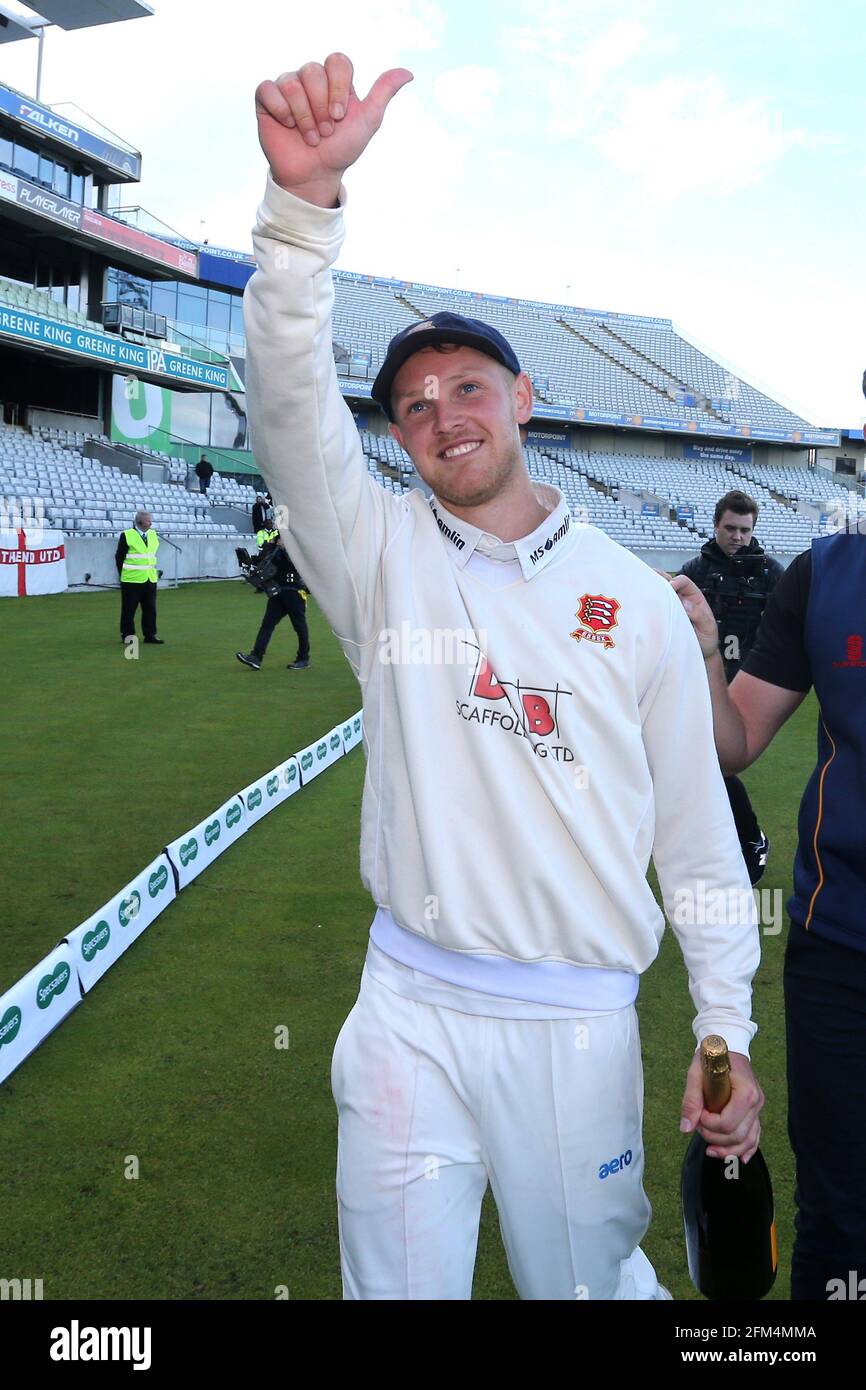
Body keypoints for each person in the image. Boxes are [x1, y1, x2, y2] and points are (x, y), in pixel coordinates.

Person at [246, 53, 765, 1302]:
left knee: (585, 1290)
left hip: (572, 1027)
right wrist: (299, 218)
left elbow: (697, 848)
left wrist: (723, 1037)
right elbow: (286, 404)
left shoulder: (635, 603)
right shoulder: (375, 558)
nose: (440, 416)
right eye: (412, 405)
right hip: (404, 1005)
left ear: (524, 399)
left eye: (466, 387)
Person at [673, 447, 866, 1303]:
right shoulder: (826, 575)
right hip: (841, 946)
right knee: (841, 1214)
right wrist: (707, 655)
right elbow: (734, 742)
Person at [679, 491, 784, 883]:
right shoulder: (695, 571)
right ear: (715, 525)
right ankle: (734, 839)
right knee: (704, 765)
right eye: (730, 529)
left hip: (753, 685)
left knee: (717, 764)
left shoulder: (772, 574)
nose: (738, 537)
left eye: (745, 530)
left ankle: (749, 838)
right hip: (703, 682)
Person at [236, 530, 310, 670]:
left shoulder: (297, 542)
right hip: (278, 591)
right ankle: (256, 657)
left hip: (294, 591)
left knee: (299, 626)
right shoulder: (276, 542)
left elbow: (298, 562)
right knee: (267, 624)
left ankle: (303, 658)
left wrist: (286, 547)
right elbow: (263, 559)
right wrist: (271, 545)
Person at [115, 510, 163, 644]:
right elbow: (119, 557)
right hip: (131, 580)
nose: (151, 523)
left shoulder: (153, 534)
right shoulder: (127, 535)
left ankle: (150, 635)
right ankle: (128, 635)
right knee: (129, 610)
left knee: (150, 609)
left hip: (149, 578)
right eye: (148, 520)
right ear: (140, 521)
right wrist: (122, 575)